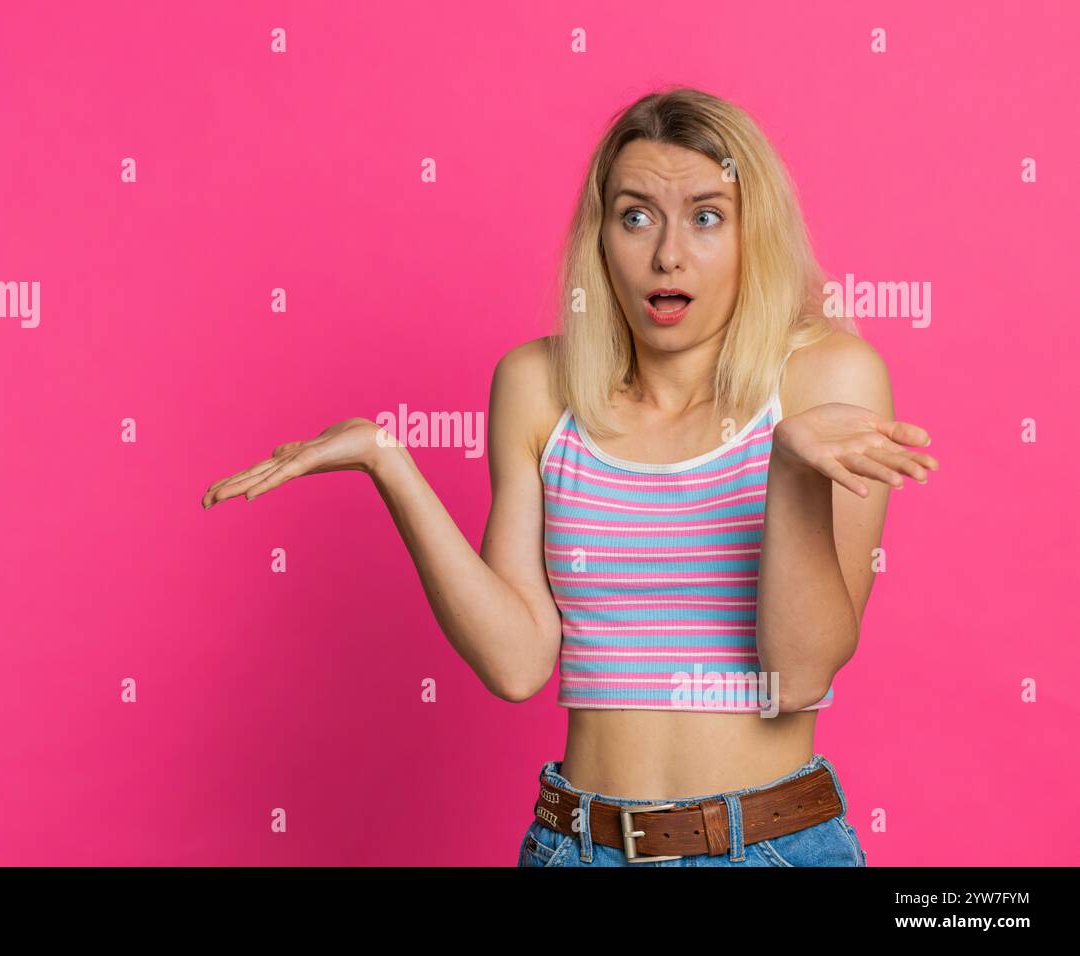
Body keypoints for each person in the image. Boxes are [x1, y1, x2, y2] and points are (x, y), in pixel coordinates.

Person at [200, 87, 939, 867]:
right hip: (577, 845)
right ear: (601, 236)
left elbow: (796, 675)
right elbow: (518, 663)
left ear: (755, 232)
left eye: (707, 215)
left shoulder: (827, 380)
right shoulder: (538, 385)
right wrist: (390, 461)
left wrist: (787, 467)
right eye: (636, 215)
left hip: (768, 846)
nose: (668, 254)